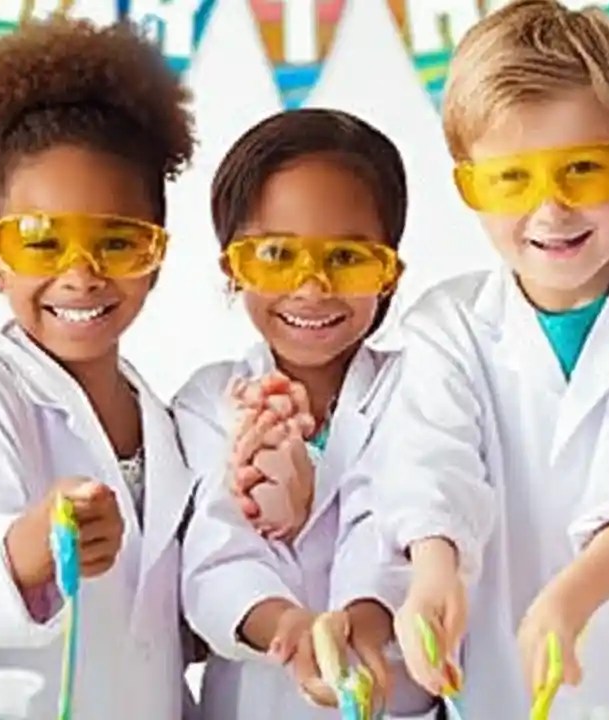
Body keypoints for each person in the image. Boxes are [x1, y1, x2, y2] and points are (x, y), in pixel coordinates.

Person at [364, 1, 609, 717]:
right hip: (498, 694)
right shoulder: (446, 326)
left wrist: (570, 597)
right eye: (511, 180)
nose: (550, 210)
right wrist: (433, 573)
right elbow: (431, 467)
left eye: (582, 170)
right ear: (468, 188)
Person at [0, 17, 198, 718]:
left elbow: (171, 624)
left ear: (156, 258)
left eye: (117, 242)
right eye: (41, 243)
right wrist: (28, 545)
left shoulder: (166, 421)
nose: (80, 274)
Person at [177, 108, 436, 720]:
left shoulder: (423, 386)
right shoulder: (208, 403)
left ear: (389, 272)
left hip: (394, 694)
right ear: (233, 268)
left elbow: (404, 526)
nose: (313, 287)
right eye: (276, 254)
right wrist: (290, 629)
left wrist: (359, 624)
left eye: (347, 257)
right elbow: (214, 557)